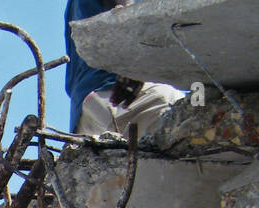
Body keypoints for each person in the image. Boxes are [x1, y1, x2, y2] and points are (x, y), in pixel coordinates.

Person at [65, 0, 184, 137]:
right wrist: (134, 65)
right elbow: (124, 13)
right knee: (189, 112)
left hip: (85, 112)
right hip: (120, 93)